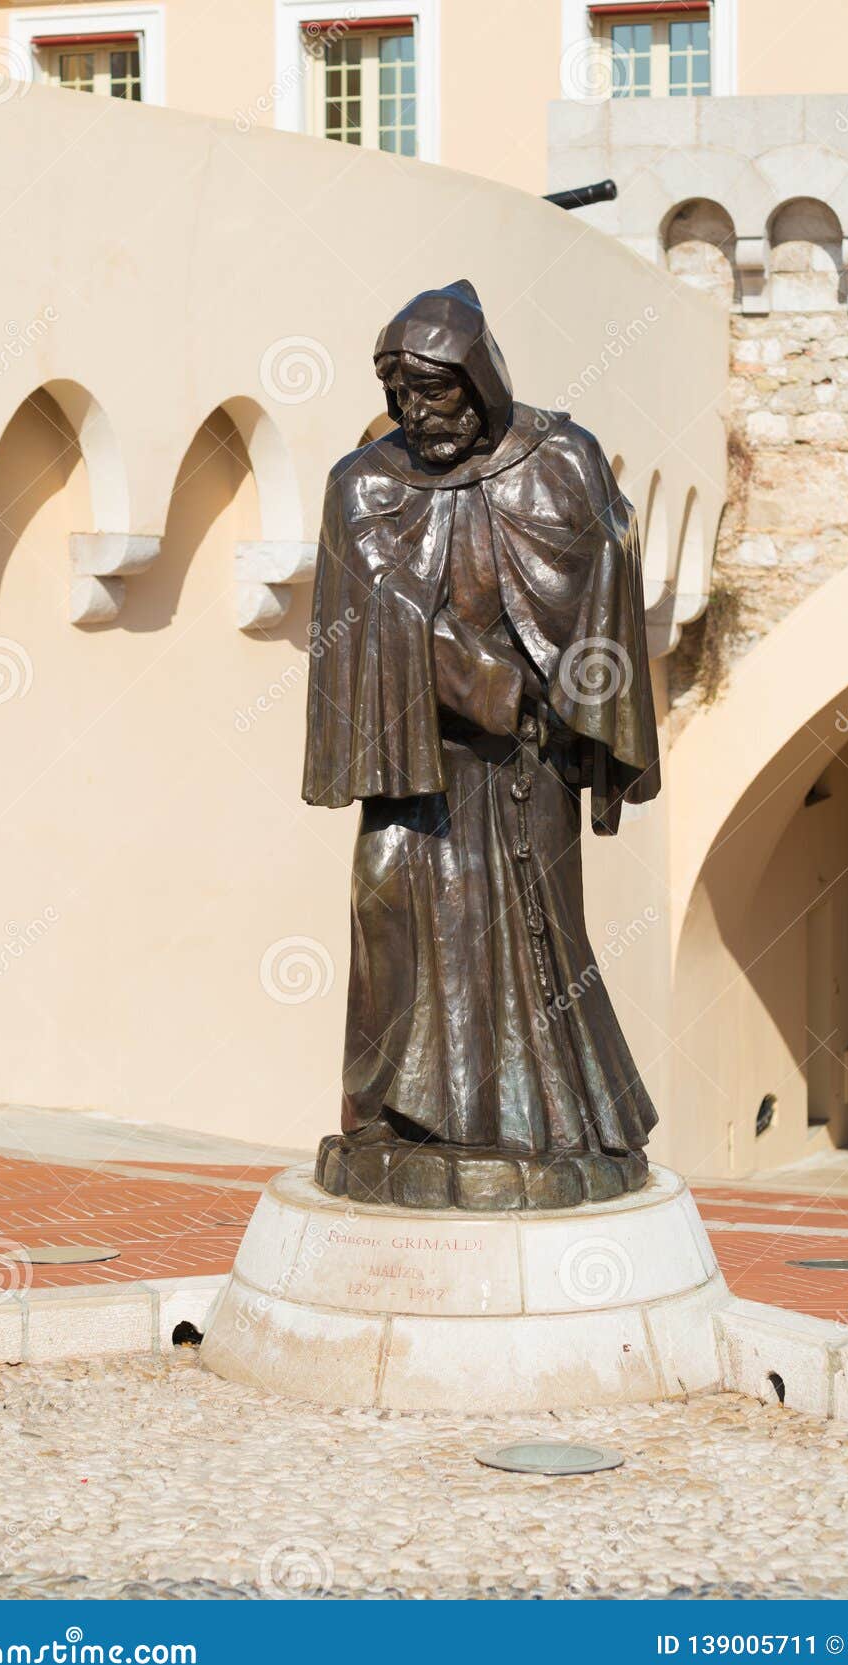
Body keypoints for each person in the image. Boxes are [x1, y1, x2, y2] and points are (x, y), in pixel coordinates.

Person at [303, 280, 660, 1210]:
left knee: (530, 929)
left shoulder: (560, 463)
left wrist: (560, 706)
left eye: (438, 392)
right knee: (384, 897)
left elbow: (603, 592)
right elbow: (365, 617)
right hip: (414, 758)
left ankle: (549, 1125)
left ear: (481, 380)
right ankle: (393, 1116)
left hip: (524, 764)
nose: (419, 415)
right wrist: (482, 682)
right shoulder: (366, 485)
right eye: (402, 395)